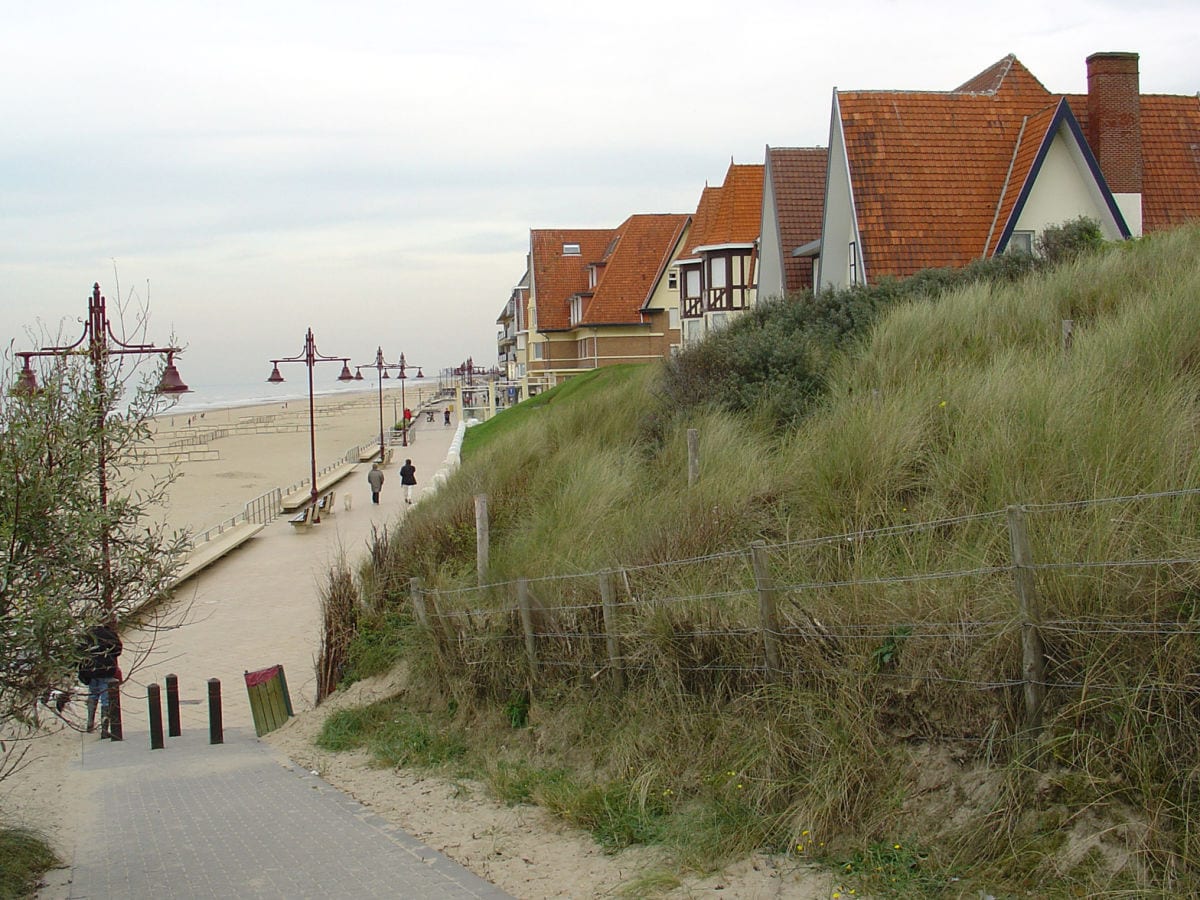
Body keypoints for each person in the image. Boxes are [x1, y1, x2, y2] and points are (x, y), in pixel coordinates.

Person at [78, 621, 122, 737]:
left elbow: (79, 651)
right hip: (106, 669)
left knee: (93, 694)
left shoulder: (86, 635)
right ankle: (104, 727)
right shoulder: (109, 634)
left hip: (90, 670)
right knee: (106, 698)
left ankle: (90, 722)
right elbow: (118, 649)